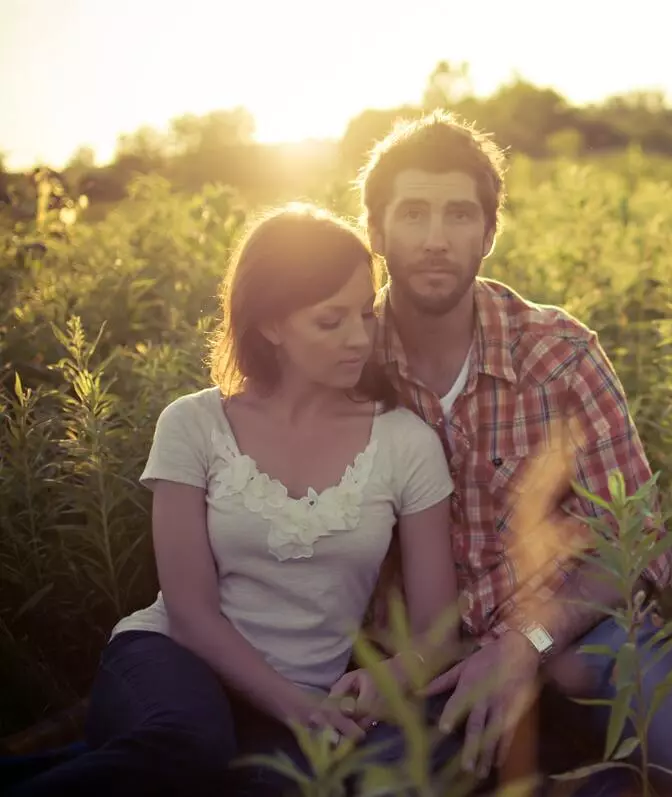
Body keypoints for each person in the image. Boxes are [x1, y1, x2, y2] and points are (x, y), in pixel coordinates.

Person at [343, 110, 672, 796]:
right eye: (413, 213)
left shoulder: (559, 354)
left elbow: (638, 543)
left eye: (459, 214)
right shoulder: (347, 366)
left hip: (576, 638)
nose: (437, 239)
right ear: (377, 230)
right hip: (429, 665)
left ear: (490, 231)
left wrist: (523, 646)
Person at [9, 203, 462, 797]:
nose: (359, 338)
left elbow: (437, 630)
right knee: (190, 744)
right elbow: (191, 612)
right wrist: (298, 711)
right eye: (331, 322)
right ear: (271, 324)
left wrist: (393, 676)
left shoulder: (406, 441)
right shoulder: (194, 423)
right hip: (171, 662)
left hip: (307, 694)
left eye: (364, 314)